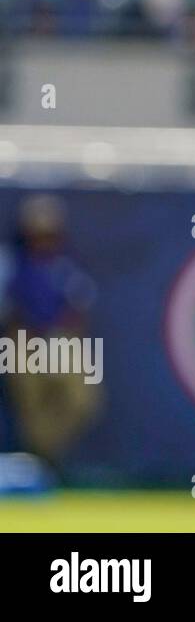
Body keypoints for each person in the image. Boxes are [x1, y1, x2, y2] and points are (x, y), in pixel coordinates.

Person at [0, 195, 100, 478]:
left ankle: (48, 455)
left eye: (49, 233)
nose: (43, 239)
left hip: (61, 340)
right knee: (31, 405)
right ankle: (39, 463)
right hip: (21, 341)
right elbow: (8, 307)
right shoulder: (10, 262)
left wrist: (62, 333)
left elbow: (80, 306)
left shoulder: (66, 266)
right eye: (37, 233)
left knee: (83, 401)